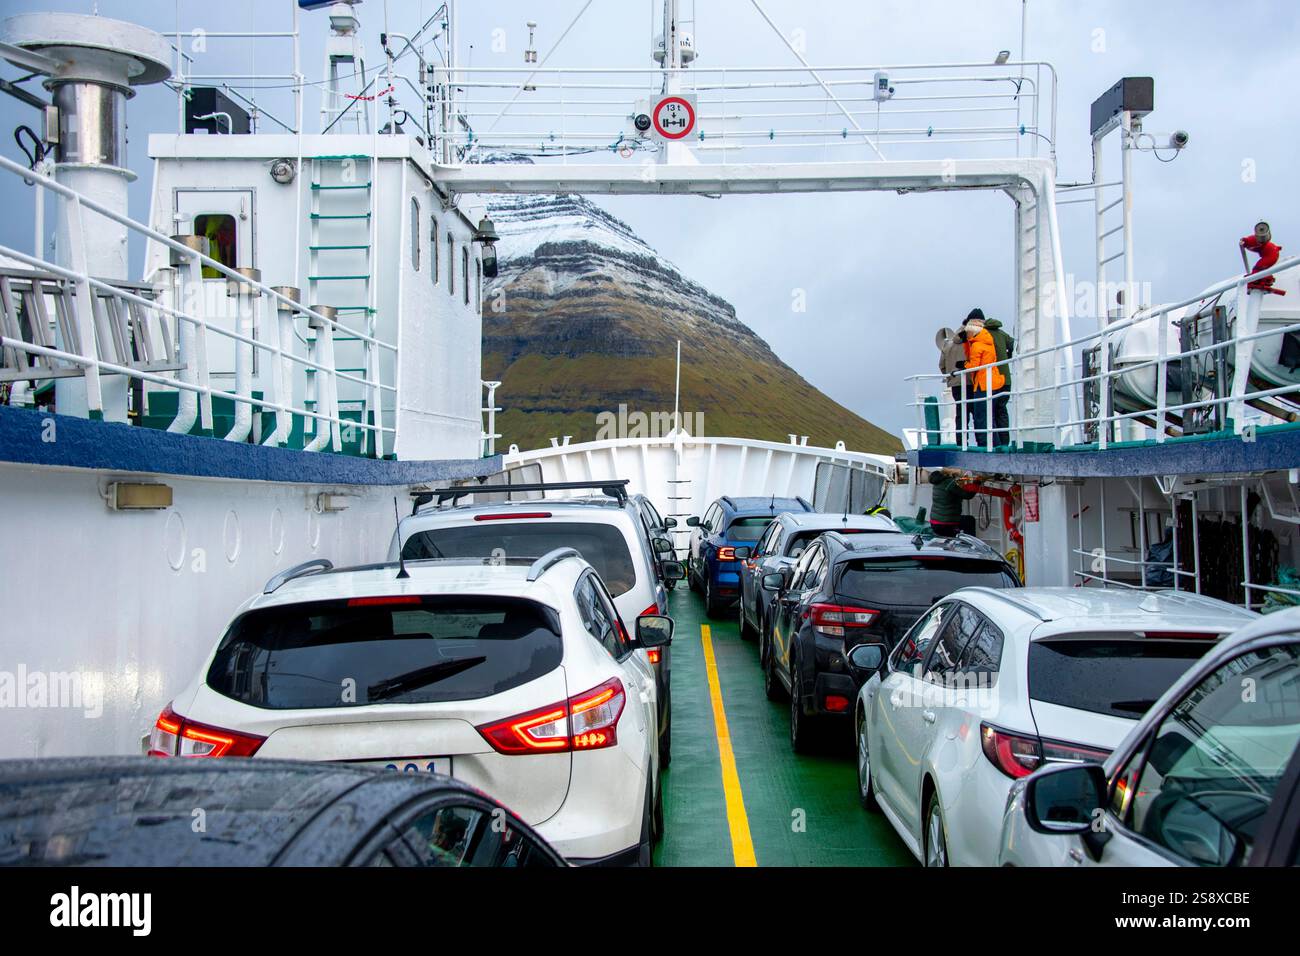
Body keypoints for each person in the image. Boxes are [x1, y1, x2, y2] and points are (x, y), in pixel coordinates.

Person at [963, 310, 1009, 447]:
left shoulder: (977, 345)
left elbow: (974, 365)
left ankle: (985, 444)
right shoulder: (988, 341)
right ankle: (998, 444)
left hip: (983, 384)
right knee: (993, 416)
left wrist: (964, 365)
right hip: (993, 381)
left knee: (981, 417)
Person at [984, 316, 1015, 447]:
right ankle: (1004, 441)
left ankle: (994, 443)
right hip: (1006, 378)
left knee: (990, 411)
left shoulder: (984, 335)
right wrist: (1008, 356)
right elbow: (1013, 344)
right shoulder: (1003, 334)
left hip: (992, 379)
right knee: (1002, 410)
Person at [938, 326, 970, 443]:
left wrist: (949, 377)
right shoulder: (970, 343)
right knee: (976, 412)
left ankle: (961, 441)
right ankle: (983, 440)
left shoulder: (948, 345)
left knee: (961, 412)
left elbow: (942, 365)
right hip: (970, 382)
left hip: (955, 383)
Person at [927, 468, 978, 537]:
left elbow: (950, 492)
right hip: (946, 524)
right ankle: (970, 545)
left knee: (949, 542)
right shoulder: (949, 483)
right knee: (969, 521)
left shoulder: (936, 484)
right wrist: (976, 484)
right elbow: (968, 495)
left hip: (934, 523)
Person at [1240, 221, 1284, 294]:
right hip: (1270, 254)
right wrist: (1245, 242)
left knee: (1257, 268)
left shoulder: (1254, 242)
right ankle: (1257, 279)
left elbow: (1259, 245)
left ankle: (1256, 279)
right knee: (1258, 269)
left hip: (1271, 255)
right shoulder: (1251, 241)